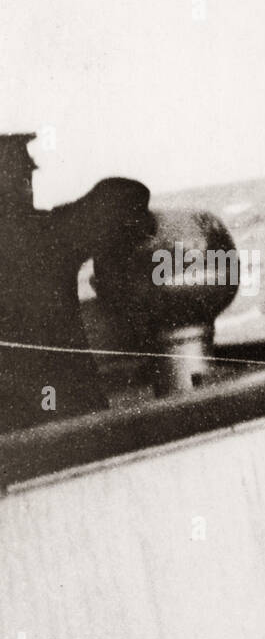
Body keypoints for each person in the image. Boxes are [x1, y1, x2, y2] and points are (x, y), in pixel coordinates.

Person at [0, 133, 153, 433]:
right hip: (64, 411)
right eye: (23, 173)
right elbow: (126, 194)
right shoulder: (44, 235)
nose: (30, 178)